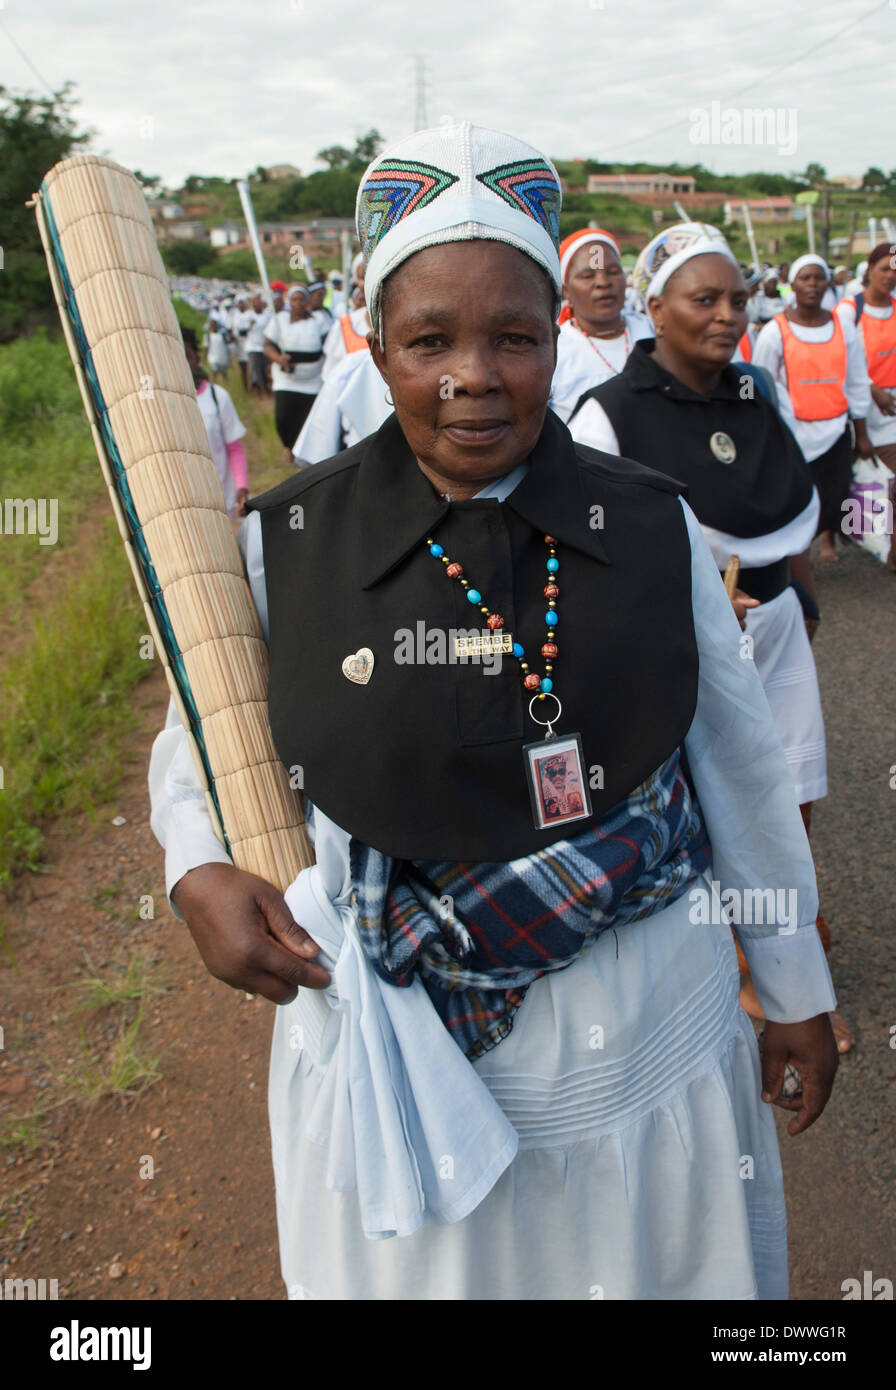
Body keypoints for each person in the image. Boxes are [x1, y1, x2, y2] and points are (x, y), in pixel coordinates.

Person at [149, 124, 837, 1301]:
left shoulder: (648, 522)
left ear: (553, 335)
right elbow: (195, 737)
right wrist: (196, 868)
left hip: (645, 1058)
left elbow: (737, 763)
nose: (473, 375)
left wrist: (794, 989)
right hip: (394, 1071)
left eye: (512, 337)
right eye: (429, 341)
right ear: (371, 340)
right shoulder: (283, 541)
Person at [567, 222, 851, 1054]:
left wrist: (800, 599)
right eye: (705, 299)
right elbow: (590, 555)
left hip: (776, 626)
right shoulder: (606, 415)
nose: (728, 314)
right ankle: (734, 956)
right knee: (709, 796)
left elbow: (785, 502)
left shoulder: (756, 391)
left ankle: (779, 916)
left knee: (792, 786)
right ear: (656, 307)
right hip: (687, 642)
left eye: (736, 298)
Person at [753, 253, 872, 562]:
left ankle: (828, 540)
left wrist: (861, 434)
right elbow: (761, 387)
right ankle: (797, 558)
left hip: (835, 430)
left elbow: (858, 380)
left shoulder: (842, 326)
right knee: (800, 501)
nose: (813, 284)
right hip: (795, 435)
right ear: (792, 283)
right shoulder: (774, 332)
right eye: (805, 277)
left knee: (835, 496)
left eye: (819, 277)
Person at [549, 227, 652, 422]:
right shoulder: (556, 350)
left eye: (613, 272)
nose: (603, 283)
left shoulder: (651, 330)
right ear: (566, 290)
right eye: (588, 276)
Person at [838, 241, 896, 570]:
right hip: (860, 408)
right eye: (884, 268)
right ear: (869, 270)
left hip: (891, 412)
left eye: (895, 270)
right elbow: (838, 359)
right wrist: (873, 389)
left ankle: (891, 552)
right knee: (852, 474)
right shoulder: (849, 311)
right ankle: (835, 533)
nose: (890, 275)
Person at [182, 327, 249, 518]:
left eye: (187, 356)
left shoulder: (217, 397)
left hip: (222, 501)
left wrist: (242, 487)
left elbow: (234, 447)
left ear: (197, 358)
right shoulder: (162, 405)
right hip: (187, 507)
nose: (182, 364)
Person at [262, 283, 324, 464]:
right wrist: (279, 359)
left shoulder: (318, 321)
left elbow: (328, 346)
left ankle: (301, 452)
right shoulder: (279, 320)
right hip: (286, 380)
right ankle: (288, 446)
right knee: (283, 417)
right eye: (294, 299)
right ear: (289, 301)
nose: (298, 303)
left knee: (305, 419)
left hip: (312, 380)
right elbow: (267, 346)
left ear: (307, 301)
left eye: (301, 299)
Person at [245, 292, 272, 395]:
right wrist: (249, 325)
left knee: (265, 368)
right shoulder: (249, 316)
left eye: (259, 301)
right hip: (253, 347)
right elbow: (241, 332)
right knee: (256, 369)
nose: (258, 303)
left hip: (265, 347)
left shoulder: (267, 315)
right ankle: (261, 389)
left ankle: (266, 386)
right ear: (253, 303)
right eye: (255, 301)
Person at [230, 294, 254, 391]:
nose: (240, 305)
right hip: (239, 344)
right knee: (243, 367)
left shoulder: (250, 314)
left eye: (242, 303)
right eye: (239, 303)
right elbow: (234, 330)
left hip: (250, 342)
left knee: (251, 366)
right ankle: (245, 387)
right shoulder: (234, 315)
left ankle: (252, 385)